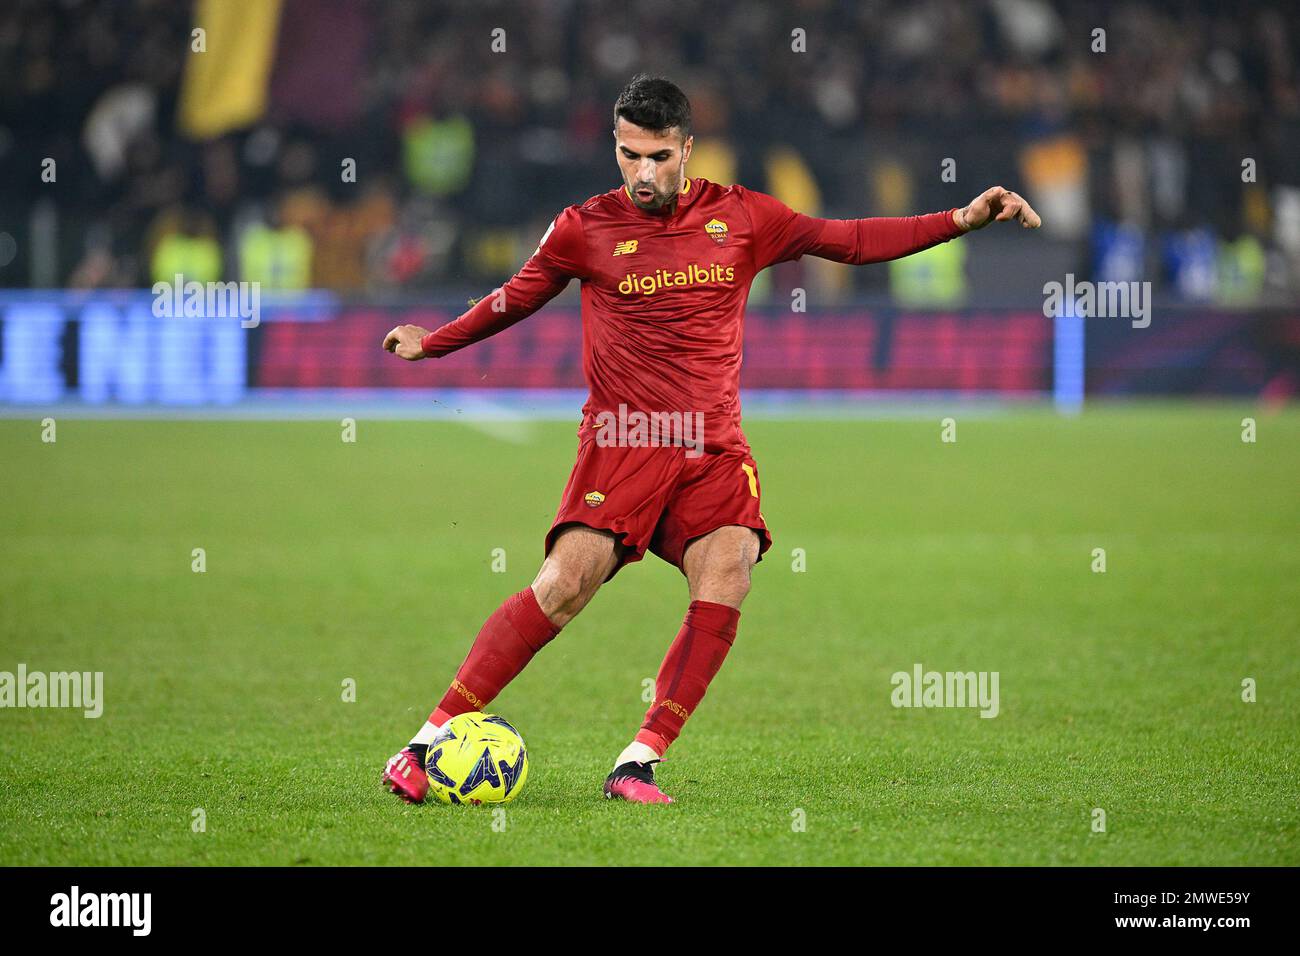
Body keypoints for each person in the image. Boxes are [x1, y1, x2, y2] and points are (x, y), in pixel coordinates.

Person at [381, 74, 1041, 804]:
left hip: (712, 446)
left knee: (729, 569)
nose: (642, 172)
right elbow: (515, 295)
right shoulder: (583, 227)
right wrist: (432, 342)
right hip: (626, 437)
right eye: (629, 154)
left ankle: (638, 760)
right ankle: (425, 742)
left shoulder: (744, 218)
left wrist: (960, 218)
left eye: (658, 156)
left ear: (688, 149)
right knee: (567, 584)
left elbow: (848, 240)